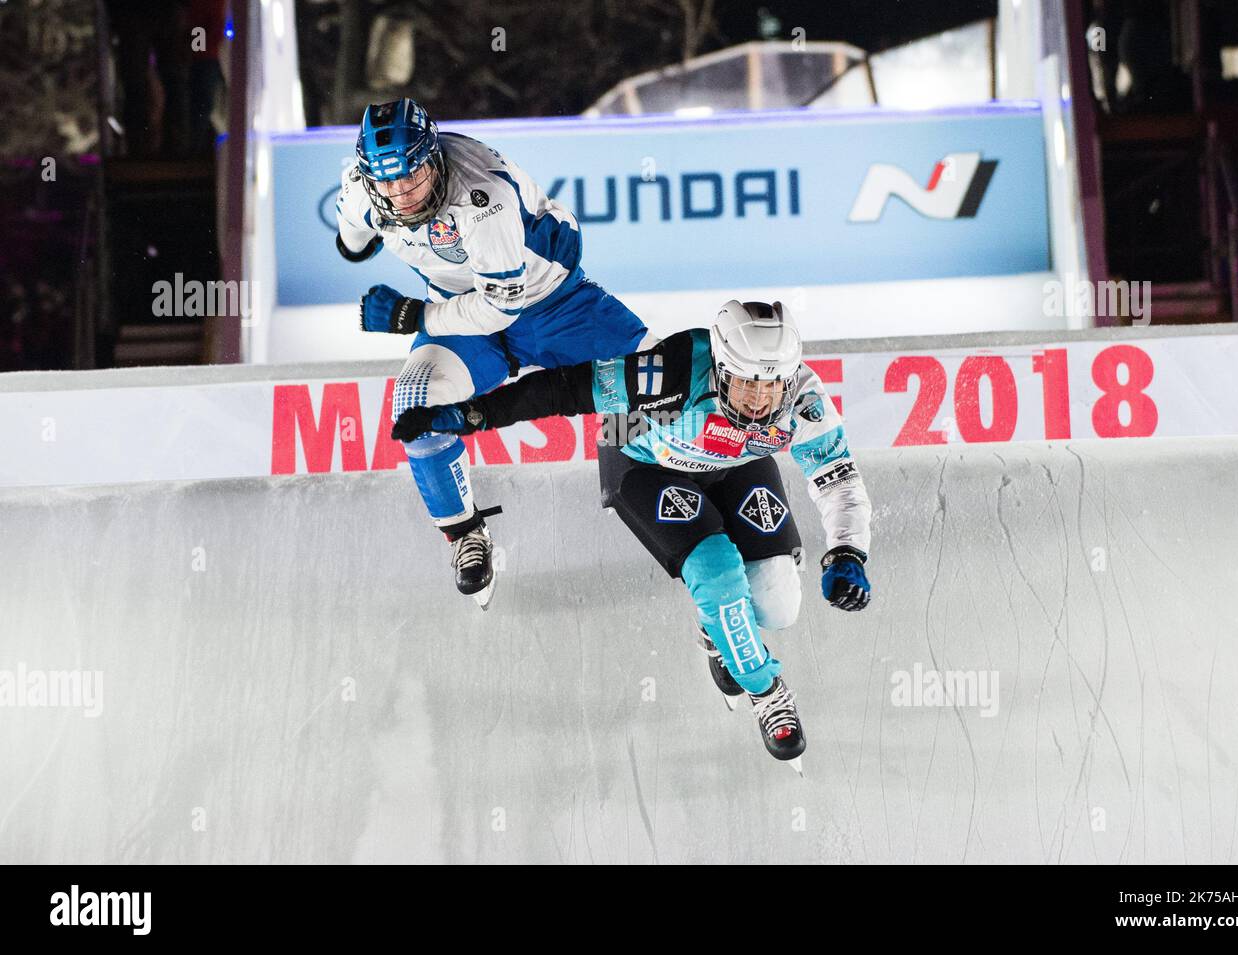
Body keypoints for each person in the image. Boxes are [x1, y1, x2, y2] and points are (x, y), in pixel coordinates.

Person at [392, 301, 873, 769]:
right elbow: (563, 391)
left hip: (736, 465)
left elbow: (839, 480)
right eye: (746, 386)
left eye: (772, 389)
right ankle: (767, 693)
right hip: (646, 465)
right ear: (721, 370)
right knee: (719, 574)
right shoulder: (673, 371)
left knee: (779, 606)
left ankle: (718, 628)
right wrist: (473, 415)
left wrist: (848, 550)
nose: (759, 403)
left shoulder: (804, 399)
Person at [337, 98, 655, 608]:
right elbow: (352, 239)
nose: (402, 193)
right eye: (388, 181)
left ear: (434, 158)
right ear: (368, 176)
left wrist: (412, 317)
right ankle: (465, 534)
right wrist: (356, 248)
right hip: (463, 311)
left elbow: (499, 310)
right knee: (415, 407)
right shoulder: (360, 188)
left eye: (413, 175)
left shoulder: (484, 198)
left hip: (551, 303)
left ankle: (700, 489)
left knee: (663, 384)